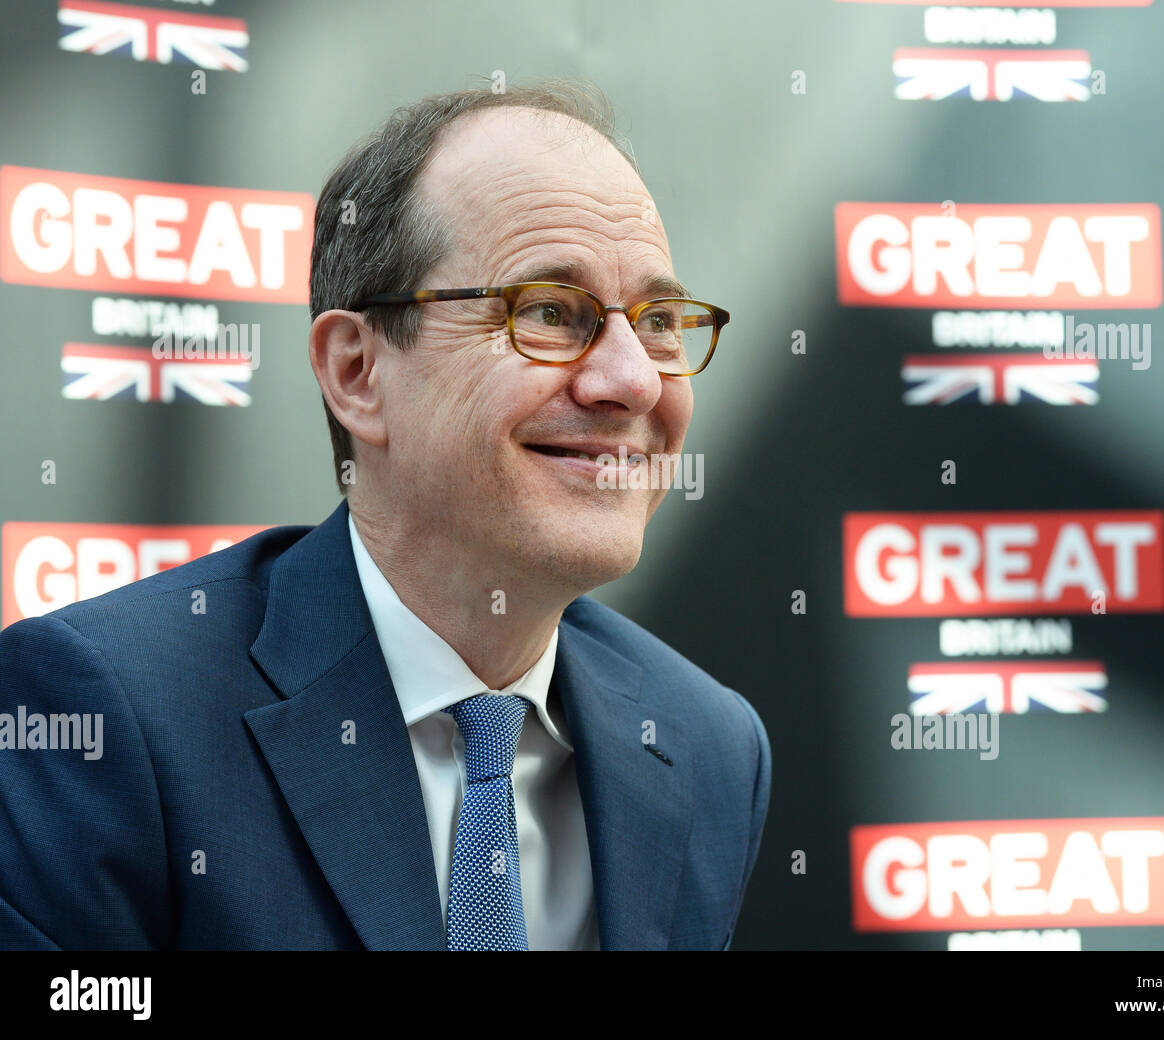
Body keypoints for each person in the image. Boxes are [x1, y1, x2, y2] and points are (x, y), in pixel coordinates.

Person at [0, 80, 771, 951]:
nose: (634, 381)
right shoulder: (109, 718)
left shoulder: (708, 743)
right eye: (550, 313)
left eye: (662, 321)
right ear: (358, 372)